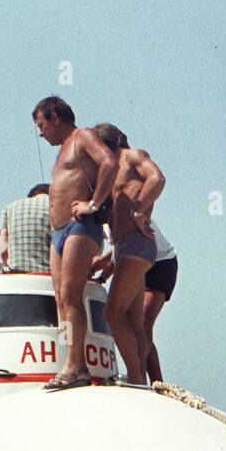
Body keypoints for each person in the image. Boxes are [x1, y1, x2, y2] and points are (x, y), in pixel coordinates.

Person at [32, 96, 118, 391]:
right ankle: (75, 364)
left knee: (70, 294)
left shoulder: (83, 136)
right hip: (59, 232)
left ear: (55, 117)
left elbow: (109, 162)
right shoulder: (62, 150)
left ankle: (73, 366)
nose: (41, 133)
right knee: (60, 298)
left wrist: (94, 204)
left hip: (80, 226)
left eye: (42, 125)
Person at [91, 123, 166, 384]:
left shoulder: (132, 155)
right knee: (135, 322)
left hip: (137, 243)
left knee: (112, 314)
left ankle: (135, 378)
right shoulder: (112, 171)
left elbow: (157, 179)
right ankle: (141, 378)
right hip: (124, 247)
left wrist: (138, 211)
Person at [142, 225, 178, 384]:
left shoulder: (118, 207)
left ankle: (153, 381)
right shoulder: (98, 220)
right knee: (132, 325)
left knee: (143, 324)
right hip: (138, 264)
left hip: (160, 262)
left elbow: (126, 244)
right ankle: (148, 379)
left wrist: (103, 274)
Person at [0, 184, 51, 273]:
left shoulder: (9, 208)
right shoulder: (55, 207)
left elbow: (4, 250)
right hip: (47, 276)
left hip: (15, 273)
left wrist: (6, 266)